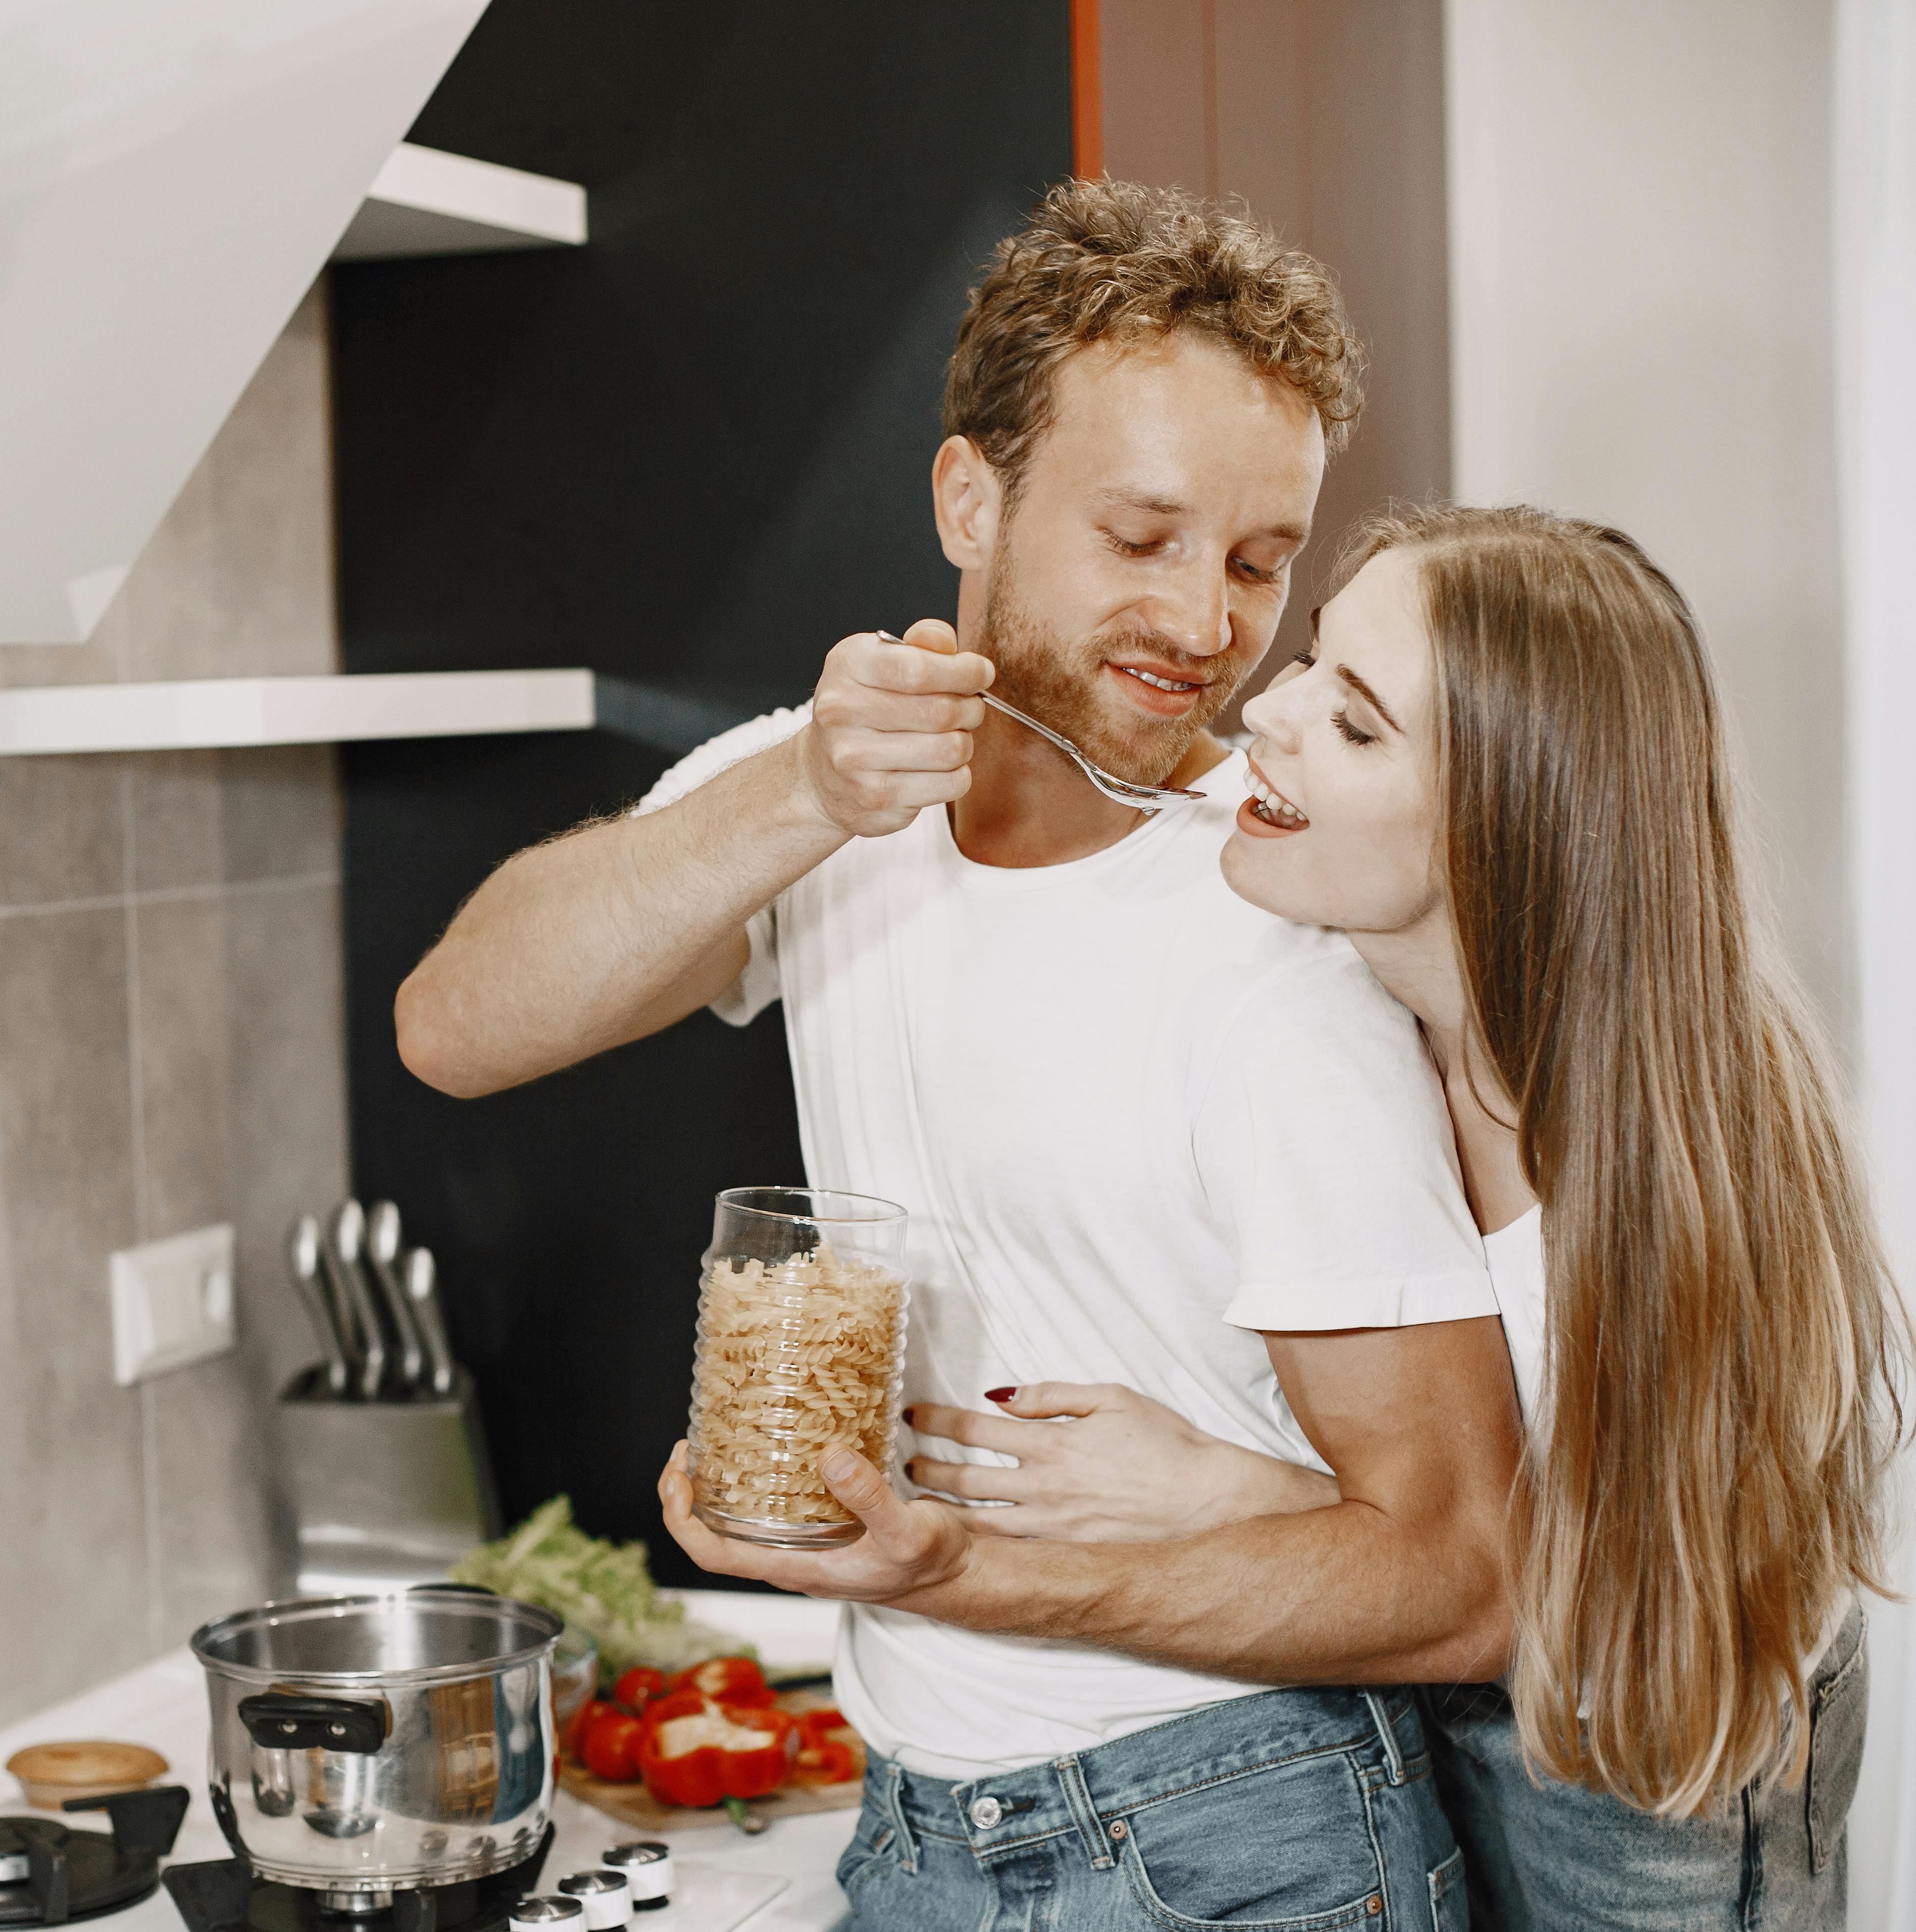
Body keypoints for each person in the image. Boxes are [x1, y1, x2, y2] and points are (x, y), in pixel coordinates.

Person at [400, 179, 1521, 1929]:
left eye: (1258, 561)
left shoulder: (1283, 917)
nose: (1208, 626)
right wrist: (799, 796)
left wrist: (964, 1574)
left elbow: (1462, 1573)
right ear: (968, 499)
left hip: (1240, 1831)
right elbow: (456, 1028)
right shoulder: (831, 790)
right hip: (918, 1828)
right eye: (1140, 537)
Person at [861, 506, 1916, 1928]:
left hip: (1651, 1752)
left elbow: (1629, 1618)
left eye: (1357, 726)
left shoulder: (1676, 1160)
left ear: (1503, 821)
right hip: (1445, 1694)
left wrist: (1229, 1494)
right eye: (1310, 660)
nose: (1266, 711)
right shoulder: (1375, 1010)